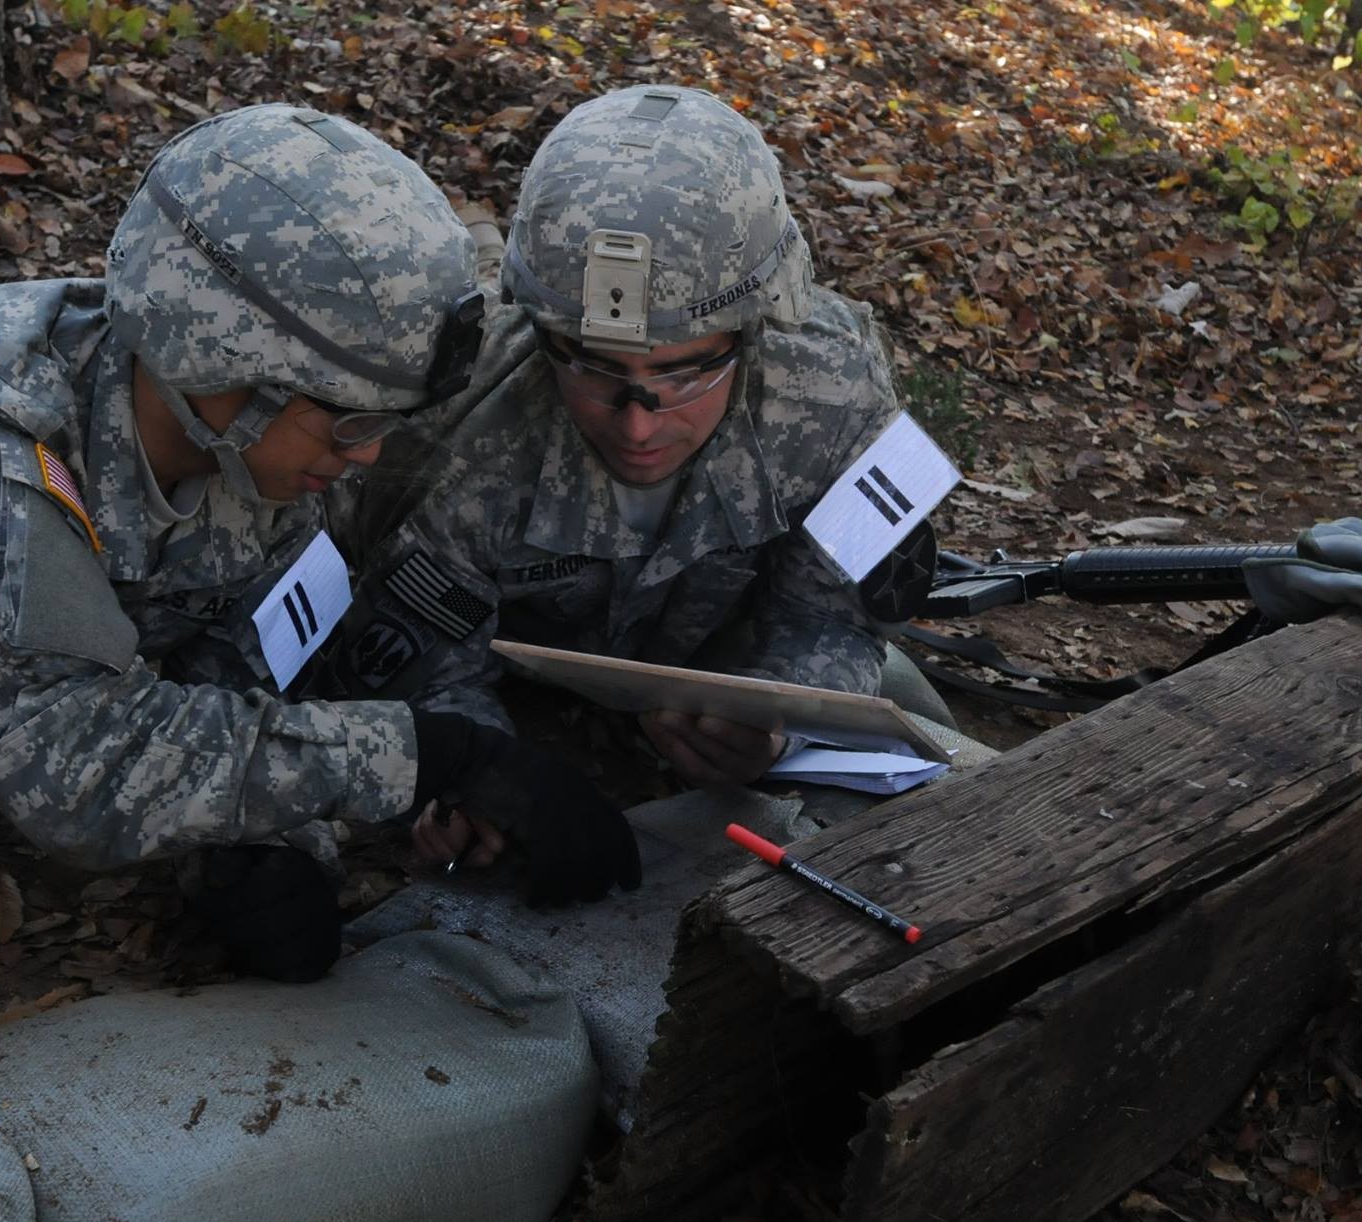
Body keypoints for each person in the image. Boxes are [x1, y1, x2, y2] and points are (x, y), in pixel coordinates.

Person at [0, 104, 641, 977]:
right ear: (220, 371)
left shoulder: (253, 443)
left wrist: (270, 846)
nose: (367, 458)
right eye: (346, 423)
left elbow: (232, 662)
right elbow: (67, 756)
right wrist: (428, 756)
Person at [312, 85, 955, 872]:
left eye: (685, 373)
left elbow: (834, 618)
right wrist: (474, 779)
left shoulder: (847, 393)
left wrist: (773, 715)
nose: (638, 423)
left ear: (753, 332)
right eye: (592, 367)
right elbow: (425, 658)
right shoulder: (459, 426)